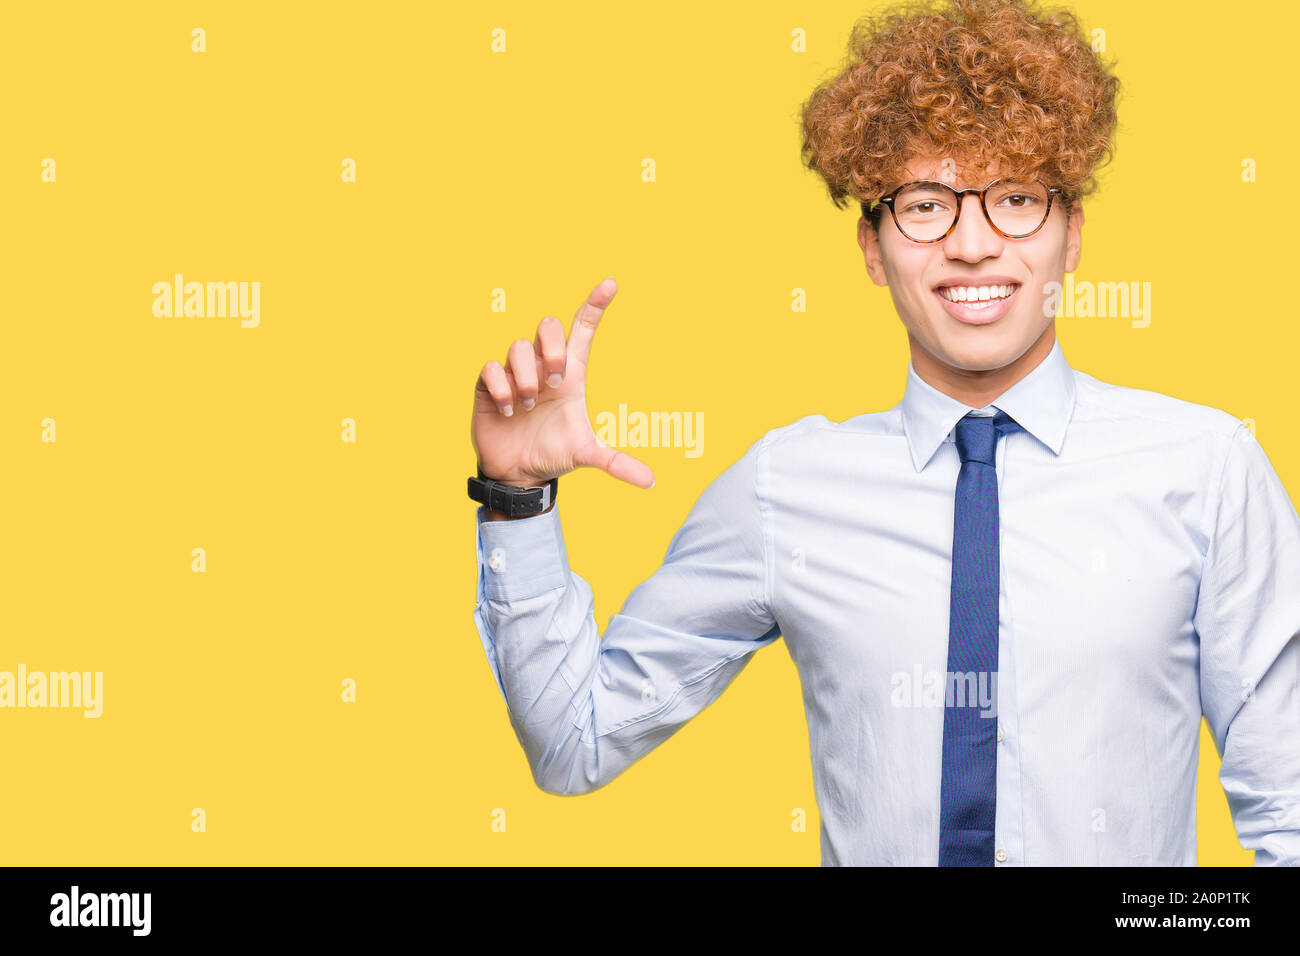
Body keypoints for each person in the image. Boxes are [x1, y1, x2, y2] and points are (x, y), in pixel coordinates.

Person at [466, 0, 1300, 865]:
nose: (973, 244)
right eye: (925, 204)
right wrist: (516, 500)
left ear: (1072, 236)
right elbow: (574, 743)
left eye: (1015, 198)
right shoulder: (786, 489)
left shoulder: (1207, 472)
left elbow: (1292, 806)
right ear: (872, 248)